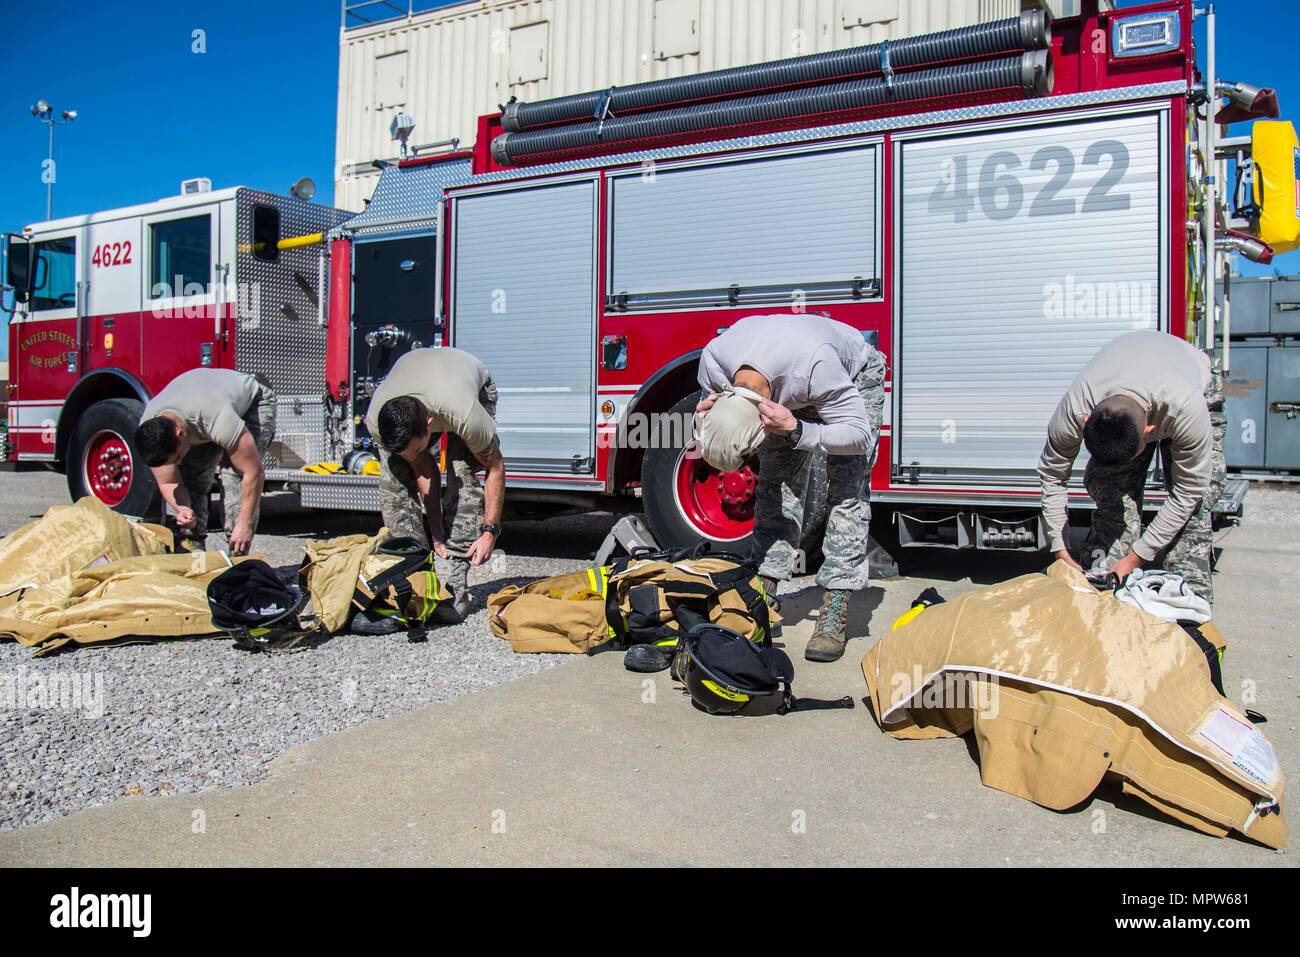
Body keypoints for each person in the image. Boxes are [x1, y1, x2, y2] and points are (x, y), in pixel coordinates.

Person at [695, 313, 887, 663]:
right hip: (787, 385)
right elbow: (711, 406)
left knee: (846, 487)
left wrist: (798, 430)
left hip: (851, 376)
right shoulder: (714, 362)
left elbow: (858, 436)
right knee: (776, 485)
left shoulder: (815, 368)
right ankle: (763, 592)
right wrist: (703, 415)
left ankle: (836, 602)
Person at [1038, 329, 1226, 605]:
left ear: (1151, 432)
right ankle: (1100, 590)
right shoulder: (1075, 409)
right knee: (1111, 491)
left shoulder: (1186, 408)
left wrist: (1139, 556)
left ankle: (1187, 611)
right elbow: (1053, 476)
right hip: (1137, 391)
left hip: (1196, 384)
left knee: (1196, 510)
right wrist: (1060, 548)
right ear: (1087, 420)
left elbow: (1188, 491)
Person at [365, 347, 505, 620]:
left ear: (430, 425)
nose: (415, 455)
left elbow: (496, 467)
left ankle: (456, 587)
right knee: (393, 482)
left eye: (418, 448)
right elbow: (424, 467)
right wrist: (435, 529)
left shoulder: (463, 414)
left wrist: (490, 531)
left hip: (467, 384)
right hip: (419, 384)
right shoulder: (377, 422)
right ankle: (415, 577)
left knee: (463, 473)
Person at [134, 368, 276, 556]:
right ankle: (193, 556)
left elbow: (253, 473)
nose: (176, 463)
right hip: (200, 416)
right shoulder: (152, 431)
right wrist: (182, 508)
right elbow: (168, 481)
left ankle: (236, 561)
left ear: (180, 433)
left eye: (176, 457)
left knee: (234, 477)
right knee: (191, 477)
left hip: (252, 402)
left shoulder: (216, 418)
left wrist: (245, 524)